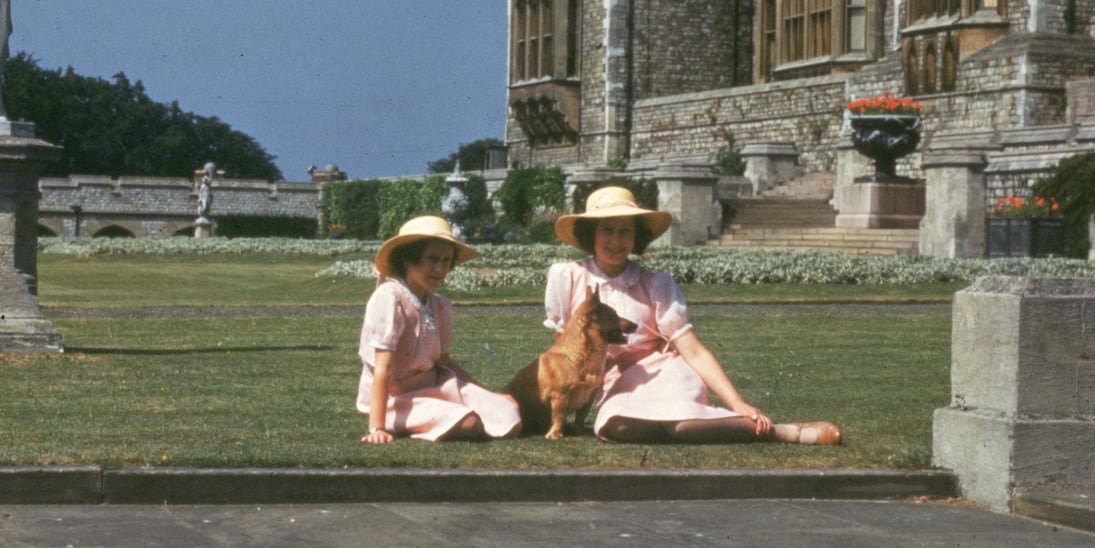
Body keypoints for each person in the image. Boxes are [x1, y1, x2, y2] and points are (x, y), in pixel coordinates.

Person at [544, 186, 841, 444]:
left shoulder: (655, 283)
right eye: (607, 230)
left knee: (683, 423)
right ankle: (698, 430)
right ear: (590, 234)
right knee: (618, 426)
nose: (616, 241)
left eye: (626, 231)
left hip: (662, 373)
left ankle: (779, 432)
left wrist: (737, 402)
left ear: (637, 236)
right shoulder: (567, 278)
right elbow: (564, 352)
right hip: (613, 384)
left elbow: (693, 350)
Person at [359, 216, 521, 443]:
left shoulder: (441, 306)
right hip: (395, 397)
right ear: (408, 258)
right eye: (432, 259)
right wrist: (376, 427)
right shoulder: (389, 298)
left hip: (435, 387)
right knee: (469, 424)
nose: (439, 269)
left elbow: (444, 362)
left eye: (446, 261)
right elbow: (382, 368)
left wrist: (488, 394)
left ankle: (451, 415)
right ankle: (412, 421)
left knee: (510, 411)